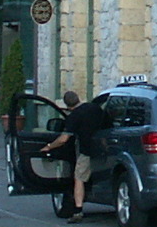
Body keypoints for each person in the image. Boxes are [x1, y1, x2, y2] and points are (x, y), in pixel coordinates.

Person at [44, 89, 110, 220]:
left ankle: (78, 209)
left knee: (79, 178)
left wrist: (49, 146)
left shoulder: (74, 117)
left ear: (67, 105)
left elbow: (63, 139)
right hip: (105, 150)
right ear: (78, 98)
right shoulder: (95, 108)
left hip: (87, 151)